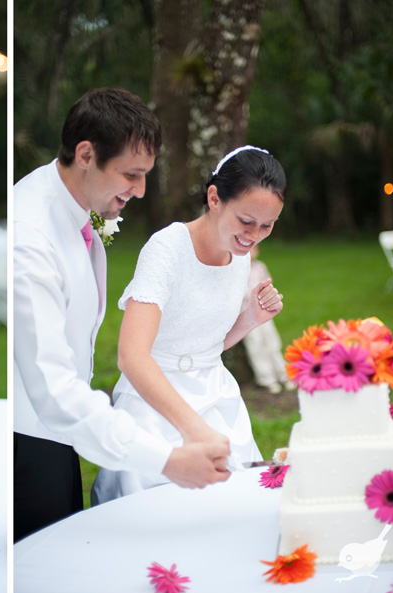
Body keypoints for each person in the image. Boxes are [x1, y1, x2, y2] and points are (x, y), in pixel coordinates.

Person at [14, 87, 231, 542]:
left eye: (147, 175)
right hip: (28, 436)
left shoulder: (77, 203)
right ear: (86, 154)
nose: (140, 190)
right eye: (131, 174)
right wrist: (166, 459)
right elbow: (51, 387)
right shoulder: (30, 238)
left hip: (61, 432)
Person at [91, 145, 286, 504]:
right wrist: (193, 430)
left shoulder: (238, 256)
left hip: (218, 400)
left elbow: (201, 346)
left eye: (267, 226)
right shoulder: (167, 248)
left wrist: (249, 321)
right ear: (214, 198)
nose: (254, 236)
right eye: (246, 221)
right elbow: (132, 357)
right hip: (153, 405)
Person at [242, 244, 292, 393]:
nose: (251, 252)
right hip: (246, 315)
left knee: (271, 342)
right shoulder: (238, 269)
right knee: (256, 344)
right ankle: (266, 378)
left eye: (254, 248)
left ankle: (283, 374)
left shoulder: (259, 267)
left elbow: (268, 284)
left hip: (264, 311)